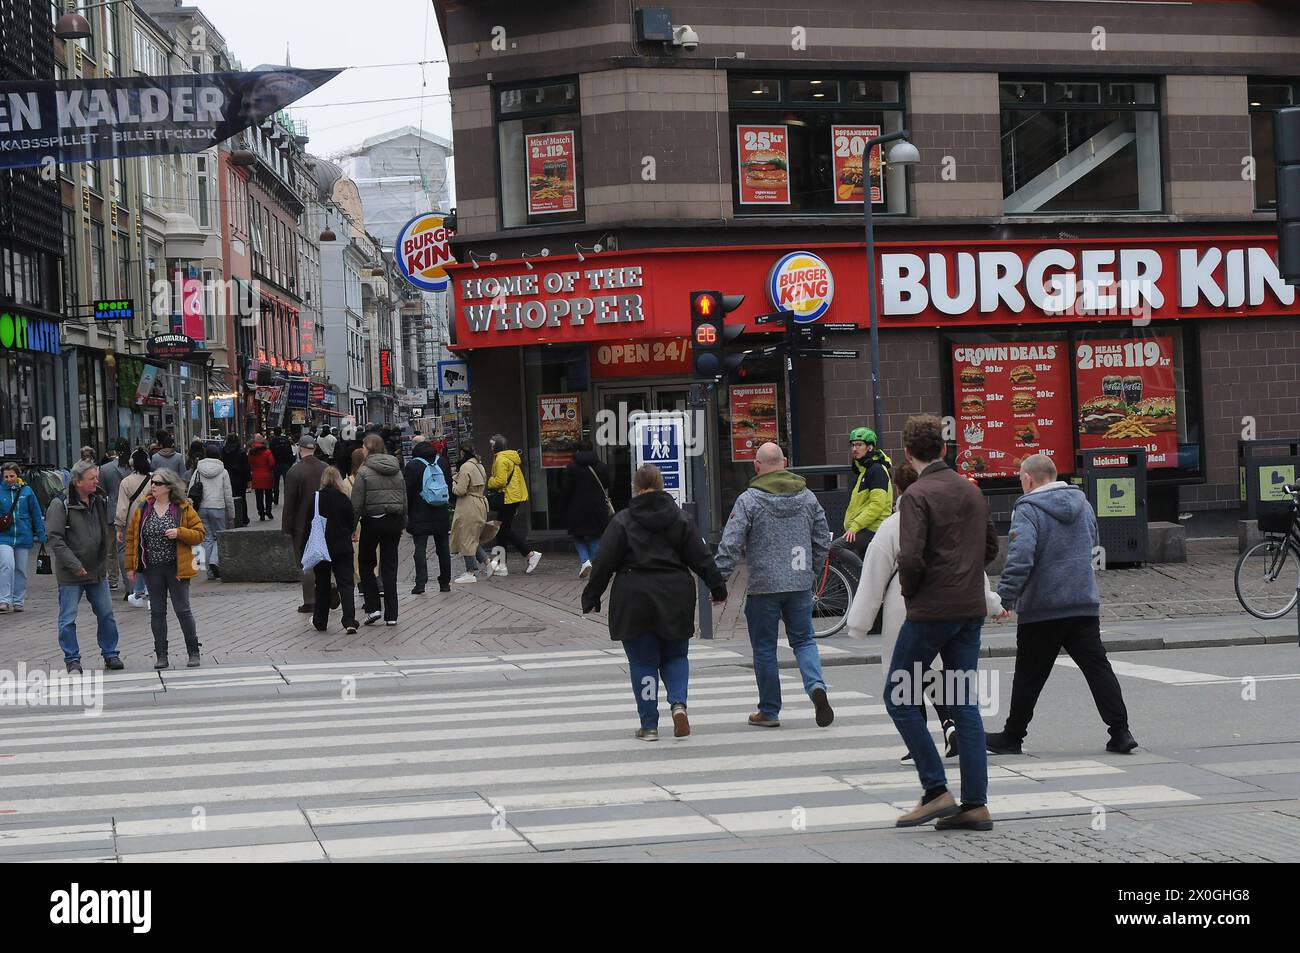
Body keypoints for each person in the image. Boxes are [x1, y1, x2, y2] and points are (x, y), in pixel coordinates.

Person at [848, 462, 1004, 762]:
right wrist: (991, 602)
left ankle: (919, 746)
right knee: (945, 678)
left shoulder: (894, 524)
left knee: (903, 678)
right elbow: (971, 565)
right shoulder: (950, 516)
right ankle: (951, 728)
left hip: (906, 606)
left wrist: (859, 623)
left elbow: (874, 574)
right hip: (956, 606)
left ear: (898, 489)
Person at [887, 414, 999, 832]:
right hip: (969, 609)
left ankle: (935, 790)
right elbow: (990, 546)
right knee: (964, 702)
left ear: (907, 452)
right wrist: (966, 574)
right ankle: (975, 804)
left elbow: (910, 556)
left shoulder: (917, 494)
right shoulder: (970, 490)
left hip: (932, 610)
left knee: (898, 695)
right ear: (945, 448)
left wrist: (911, 591)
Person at [986, 453, 1139, 756]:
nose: (1020, 482)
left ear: (1028, 479)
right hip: (1082, 603)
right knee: (1097, 669)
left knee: (1030, 674)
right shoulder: (1082, 503)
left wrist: (1005, 598)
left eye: (1020, 477)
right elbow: (1092, 541)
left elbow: (1020, 557)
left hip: (1042, 608)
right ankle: (1121, 732)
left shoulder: (1027, 509)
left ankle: (1012, 736)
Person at [581, 465, 726, 741]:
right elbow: (701, 556)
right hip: (675, 594)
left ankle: (649, 725)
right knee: (675, 655)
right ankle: (679, 705)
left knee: (643, 661)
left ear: (636, 488)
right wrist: (717, 587)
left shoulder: (622, 521)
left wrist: (592, 596)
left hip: (634, 596)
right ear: (662, 487)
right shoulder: (681, 519)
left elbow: (603, 563)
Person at [714, 441, 835, 730]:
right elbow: (822, 540)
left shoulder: (749, 500)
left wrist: (717, 581)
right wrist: (811, 572)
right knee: (804, 640)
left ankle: (769, 710)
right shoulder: (807, 498)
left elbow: (730, 543)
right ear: (785, 463)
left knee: (765, 648)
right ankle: (816, 686)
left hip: (763, 585)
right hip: (799, 584)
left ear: (757, 466)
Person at [45, 460, 123, 674]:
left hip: (97, 571)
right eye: (92, 478)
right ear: (78, 482)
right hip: (71, 574)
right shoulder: (60, 504)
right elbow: (55, 538)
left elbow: (104, 529)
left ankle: (110, 653)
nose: (97, 482)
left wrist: (103, 558)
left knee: (106, 613)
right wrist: (74, 564)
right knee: (68, 618)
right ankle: (72, 658)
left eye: (96, 477)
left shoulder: (98, 499)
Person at [123, 469, 206, 669]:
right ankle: (161, 655)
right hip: (152, 568)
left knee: (183, 609)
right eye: (152, 482)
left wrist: (179, 532)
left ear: (168, 487)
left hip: (177, 566)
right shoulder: (144, 507)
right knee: (157, 612)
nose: (153, 486)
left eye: (158, 483)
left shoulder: (183, 508)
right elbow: (132, 537)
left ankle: (193, 652)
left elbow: (199, 534)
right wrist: (130, 566)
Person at [351, 433, 408, 625]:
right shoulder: (396, 469)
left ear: (369, 449)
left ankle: (373, 607)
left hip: (373, 522)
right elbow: (404, 497)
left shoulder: (364, 471)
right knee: (390, 567)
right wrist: (403, 521)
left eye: (364, 447)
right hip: (393, 521)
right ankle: (392, 615)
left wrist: (352, 526)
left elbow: (357, 503)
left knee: (366, 564)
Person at [282, 435, 329, 613]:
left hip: (302, 524)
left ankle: (310, 600)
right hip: (324, 521)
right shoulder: (325, 468)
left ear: (300, 449)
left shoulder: (294, 472)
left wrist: (286, 528)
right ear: (315, 449)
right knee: (324, 558)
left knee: (305, 562)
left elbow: (289, 503)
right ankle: (327, 590)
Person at [312, 466, 360, 634]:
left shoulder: (316, 498)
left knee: (322, 584)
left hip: (321, 547)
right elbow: (351, 521)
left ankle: (320, 620)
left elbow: (308, 522)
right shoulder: (344, 499)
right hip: (342, 546)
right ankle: (349, 620)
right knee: (346, 583)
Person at [486, 434, 542, 575]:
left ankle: (526, 555)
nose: (491, 448)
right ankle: (507, 563)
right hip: (514, 497)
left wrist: (490, 481)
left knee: (502, 530)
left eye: (492, 445)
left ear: (496, 447)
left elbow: (500, 481)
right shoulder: (511, 457)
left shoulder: (500, 459)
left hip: (507, 498)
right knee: (503, 530)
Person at [405, 438, 452, 595]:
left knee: (420, 548)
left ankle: (420, 583)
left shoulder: (412, 466)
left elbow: (408, 492)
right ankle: (445, 582)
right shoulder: (443, 463)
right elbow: (449, 487)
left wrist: (408, 512)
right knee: (443, 548)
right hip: (441, 513)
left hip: (420, 513)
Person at [559, 439, 612, 578]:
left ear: (578, 451)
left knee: (578, 535)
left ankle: (585, 561)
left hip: (577, 508)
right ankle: (596, 564)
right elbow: (607, 484)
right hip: (597, 507)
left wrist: (563, 507)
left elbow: (566, 489)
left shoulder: (571, 467)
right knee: (595, 536)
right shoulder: (602, 467)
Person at [0, 462, 46, 613]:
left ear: (17, 475)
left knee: (20, 569)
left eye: (11, 476)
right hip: (4, 536)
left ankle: (18, 600)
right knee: (7, 564)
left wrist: (41, 533)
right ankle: (4, 599)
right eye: (6, 476)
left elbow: (36, 512)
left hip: (23, 535)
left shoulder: (27, 491)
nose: (8, 479)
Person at [843, 427, 893, 555]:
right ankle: (864, 574)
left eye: (859, 445)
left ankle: (863, 574)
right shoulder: (863, 471)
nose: (854, 449)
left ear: (870, 447)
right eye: (853, 445)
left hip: (873, 528)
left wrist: (855, 526)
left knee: (836, 547)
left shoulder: (877, 470)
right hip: (863, 528)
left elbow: (877, 505)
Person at [450, 441, 493, 583]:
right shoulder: (479, 465)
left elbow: (460, 490)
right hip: (480, 503)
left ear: (462, 452)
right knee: (472, 537)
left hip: (468, 504)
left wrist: (453, 483)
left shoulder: (466, 466)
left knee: (466, 538)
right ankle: (488, 563)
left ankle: (470, 571)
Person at [115, 449, 154, 607]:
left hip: (132, 524)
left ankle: (135, 589)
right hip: (151, 522)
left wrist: (119, 527)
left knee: (133, 555)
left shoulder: (126, 482)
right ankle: (152, 591)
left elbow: (122, 507)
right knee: (150, 557)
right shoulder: (153, 480)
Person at [191, 446, 235, 580]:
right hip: (218, 507)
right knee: (220, 536)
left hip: (202, 508)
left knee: (207, 538)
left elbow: (191, 490)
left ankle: (209, 572)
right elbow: (228, 494)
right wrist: (231, 513)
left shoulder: (198, 470)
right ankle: (215, 561)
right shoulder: (223, 471)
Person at [97, 440, 132, 591]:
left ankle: (113, 579)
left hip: (111, 511)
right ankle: (131, 579)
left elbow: (101, 491)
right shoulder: (132, 467)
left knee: (111, 548)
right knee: (128, 546)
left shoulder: (104, 469)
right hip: (130, 510)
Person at [222, 434, 251, 527]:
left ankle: (232, 518)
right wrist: (248, 480)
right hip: (240, 479)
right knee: (242, 499)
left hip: (227, 477)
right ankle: (243, 518)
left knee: (229, 498)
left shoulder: (223, 451)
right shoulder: (241, 452)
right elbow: (246, 467)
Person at [247, 434, 277, 520]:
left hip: (256, 475)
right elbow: (272, 463)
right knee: (268, 494)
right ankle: (268, 510)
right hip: (267, 475)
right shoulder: (267, 452)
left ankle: (261, 513)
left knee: (258, 496)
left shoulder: (251, 452)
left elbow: (249, 462)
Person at [269, 427, 293, 506]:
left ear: (275, 432)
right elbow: (290, 452)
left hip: (276, 464)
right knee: (287, 483)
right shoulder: (286, 440)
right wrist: (290, 463)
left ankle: (276, 499)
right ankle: (288, 499)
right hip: (286, 464)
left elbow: (270, 453)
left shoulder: (272, 441)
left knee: (276, 483)